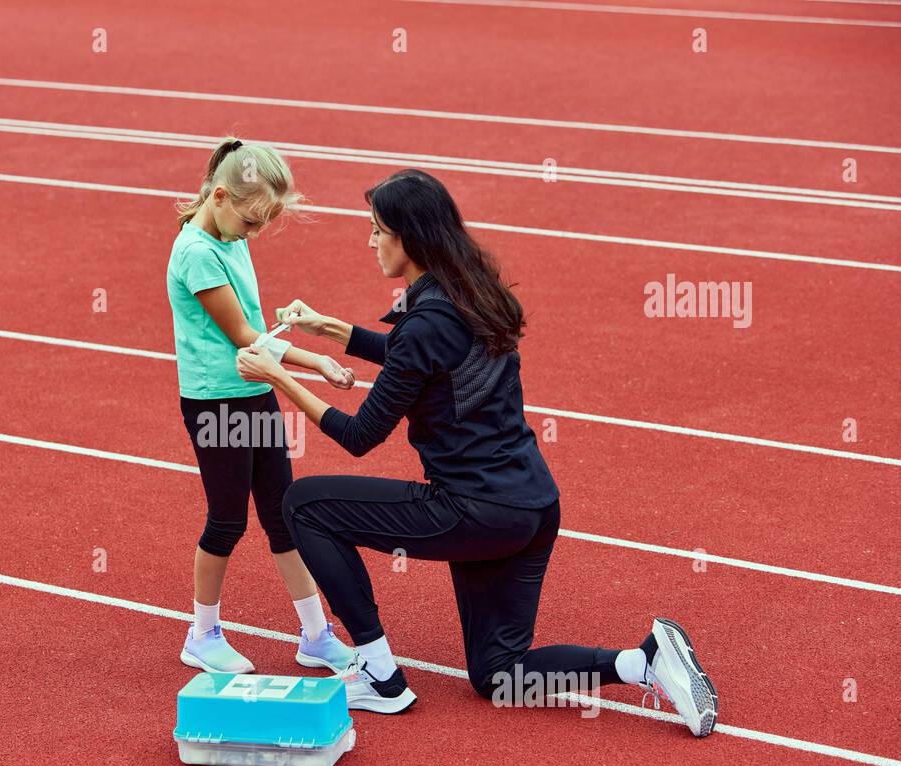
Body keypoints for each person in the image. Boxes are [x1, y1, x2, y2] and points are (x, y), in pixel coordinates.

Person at [235, 169, 718, 736]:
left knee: (304, 504)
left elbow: (360, 436)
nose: (370, 242)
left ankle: (379, 672)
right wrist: (331, 329)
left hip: (473, 510)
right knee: (497, 675)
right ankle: (641, 662)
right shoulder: (471, 291)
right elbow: (414, 356)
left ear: (409, 239)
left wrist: (278, 376)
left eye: (376, 231)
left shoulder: (427, 322)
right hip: (533, 509)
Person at [167, 137, 359, 675]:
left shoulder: (230, 235)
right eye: (252, 223)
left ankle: (315, 636)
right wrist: (316, 361)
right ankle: (202, 634)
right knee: (227, 521)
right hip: (217, 404)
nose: (255, 234)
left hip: (255, 391)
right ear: (221, 196)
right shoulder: (197, 254)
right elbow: (244, 336)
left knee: (285, 516)